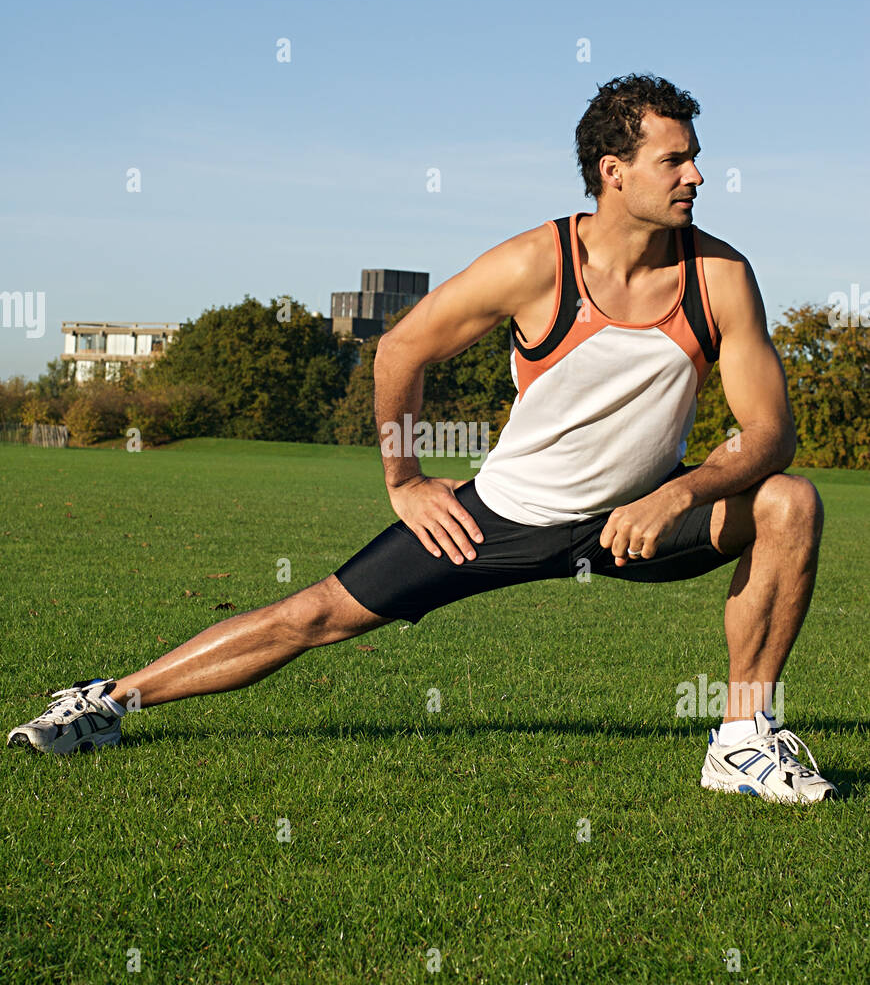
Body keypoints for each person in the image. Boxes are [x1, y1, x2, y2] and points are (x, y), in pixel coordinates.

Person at [8, 74, 836, 803]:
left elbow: (770, 432)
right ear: (613, 173)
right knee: (315, 614)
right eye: (674, 161)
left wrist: (680, 491)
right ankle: (109, 702)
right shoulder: (535, 265)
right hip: (501, 517)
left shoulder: (719, 274)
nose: (697, 176)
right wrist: (405, 480)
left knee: (788, 501)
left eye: (695, 158)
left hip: (640, 520)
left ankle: (742, 741)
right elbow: (402, 347)